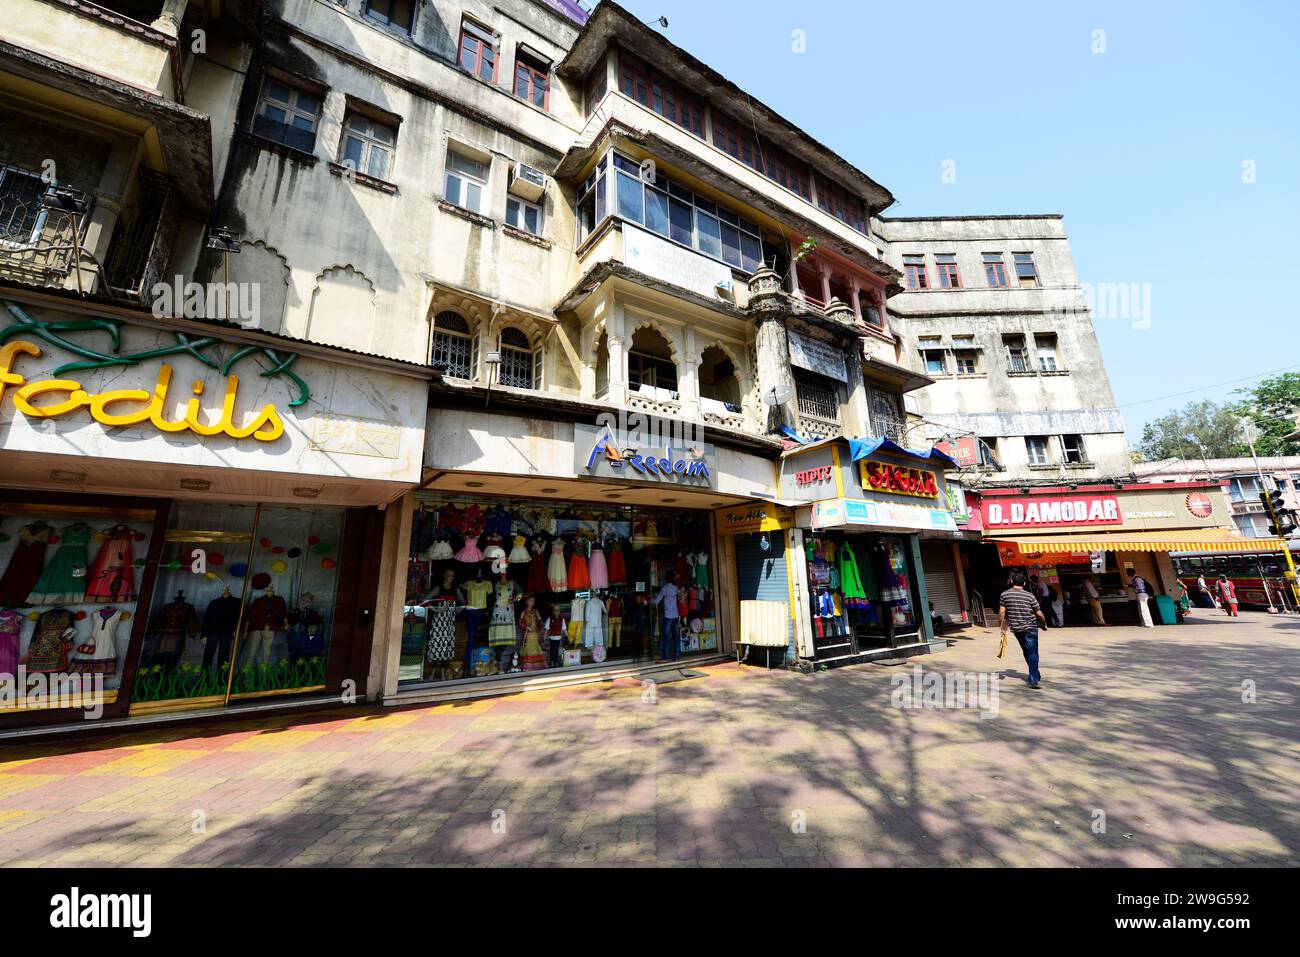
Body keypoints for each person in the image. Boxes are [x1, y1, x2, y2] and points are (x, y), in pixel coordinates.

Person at [999, 570, 1047, 689]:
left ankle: (1035, 674)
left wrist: (1002, 627)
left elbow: (1002, 612)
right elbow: (1039, 613)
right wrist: (1043, 623)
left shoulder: (1004, 595)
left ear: (1011, 582)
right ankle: (1034, 679)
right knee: (1032, 652)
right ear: (1024, 583)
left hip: (1016, 628)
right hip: (1030, 627)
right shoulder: (1030, 595)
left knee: (1026, 651)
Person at [653, 572, 681, 662]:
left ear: (666, 579)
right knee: (675, 635)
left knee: (665, 636)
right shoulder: (676, 588)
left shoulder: (664, 588)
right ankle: (676, 656)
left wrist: (649, 600)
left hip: (668, 615)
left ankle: (665, 657)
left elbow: (657, 601)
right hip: (676, 615)